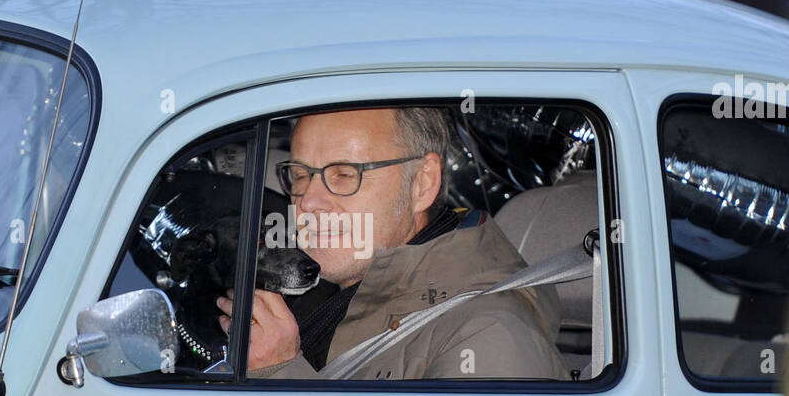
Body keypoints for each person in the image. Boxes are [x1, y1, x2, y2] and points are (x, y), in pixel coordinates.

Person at [217, 106, 567, 380]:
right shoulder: (321, 297)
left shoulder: (488, 337)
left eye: (345, 174)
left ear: (422, 184)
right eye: (300, 175)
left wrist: (280, 370)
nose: (308, 201)